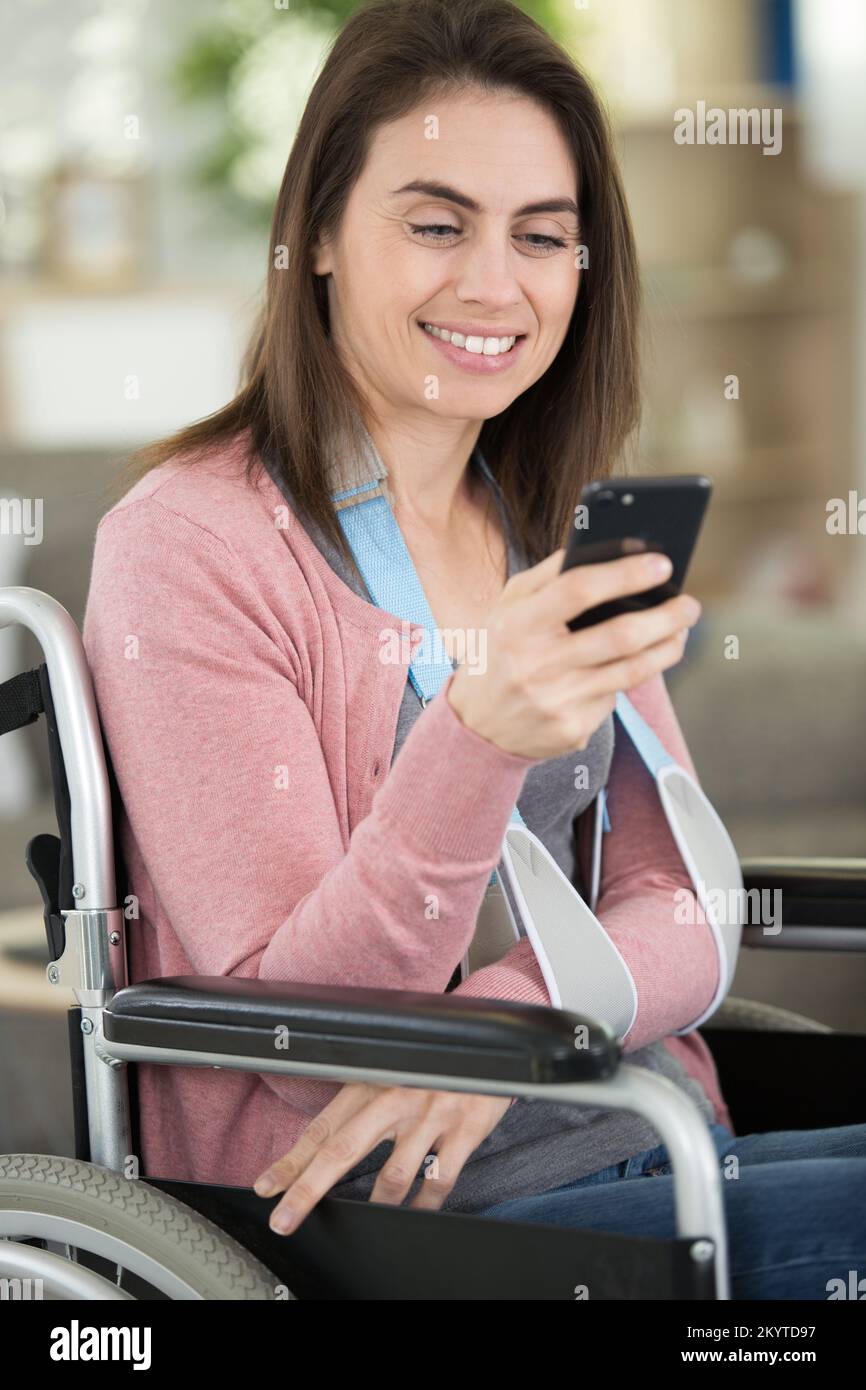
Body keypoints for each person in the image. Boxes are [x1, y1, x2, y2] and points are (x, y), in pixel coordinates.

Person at [83, 0, 865, 1300]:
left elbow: (685, 899)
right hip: (405, 1213)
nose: (494, 283)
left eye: (542, 236)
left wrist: (514, 1008)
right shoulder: (191, 547)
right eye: (436, 224)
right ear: (319, 233)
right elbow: (302, 1036)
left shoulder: (542, 523)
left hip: (661, 1145)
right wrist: (479, 735)